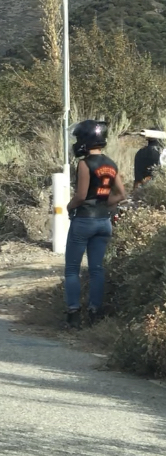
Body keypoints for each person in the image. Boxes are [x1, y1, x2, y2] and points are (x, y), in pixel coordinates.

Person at [65, 120, 127, 328]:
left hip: (84, 220)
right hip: (104, 222)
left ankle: (73, 314)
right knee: (97, 269)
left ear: (86, 139)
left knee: (72, 269)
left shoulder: (84, 164)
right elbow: (121, 194)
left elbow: (81, 196)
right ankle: (94, 312)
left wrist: (68, 206)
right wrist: (104, 205)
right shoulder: (111, 163)